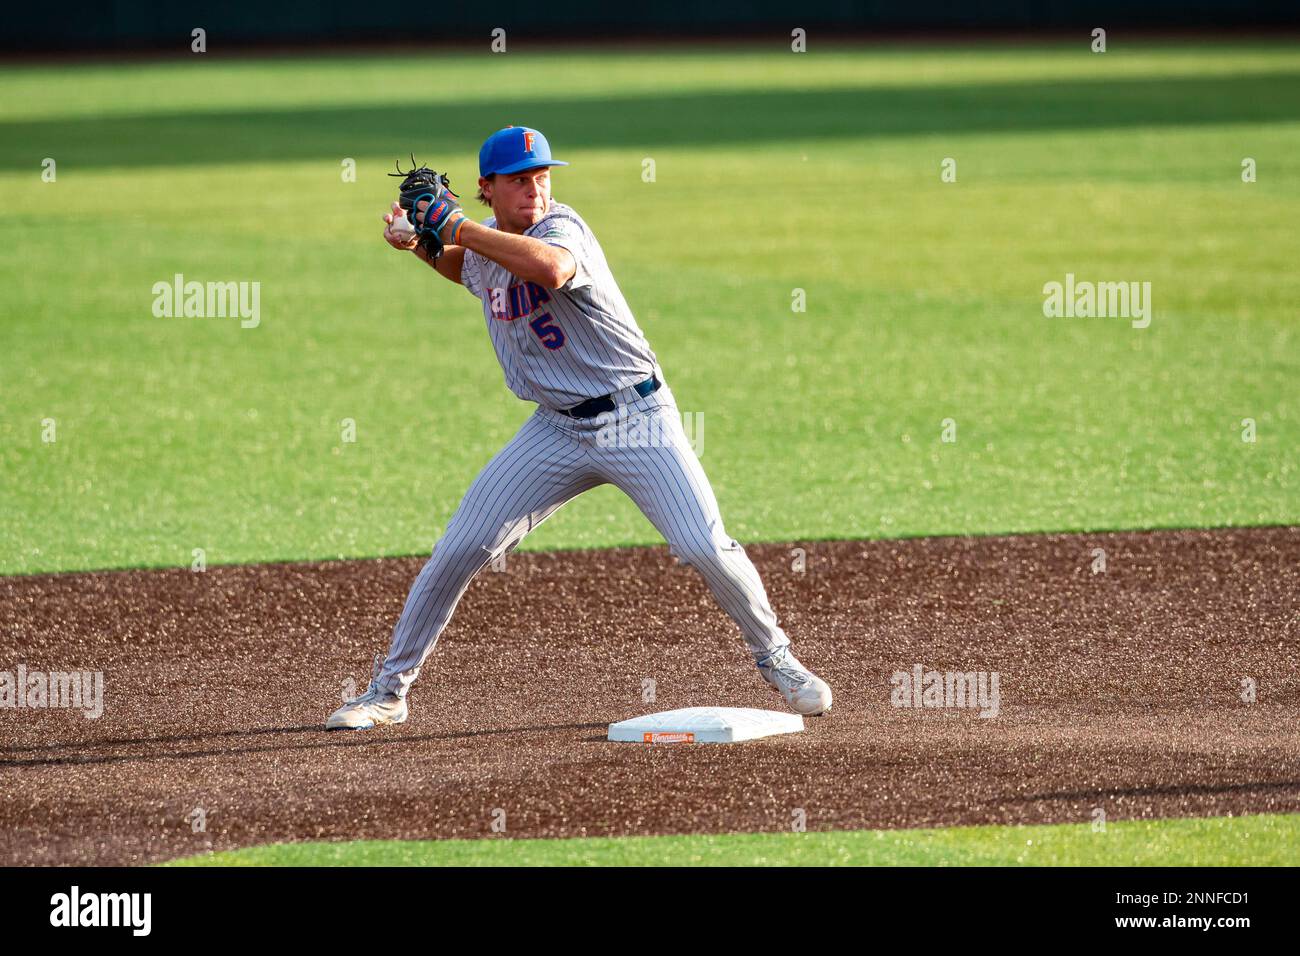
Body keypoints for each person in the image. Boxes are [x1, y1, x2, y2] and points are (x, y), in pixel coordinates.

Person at [327, 125, 832, 730]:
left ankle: (777, 659)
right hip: (555, 432)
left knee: (703, 545)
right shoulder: (488, 247)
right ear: (487, 188)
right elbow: (468, 268)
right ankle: (388, 690)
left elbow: (548, 269)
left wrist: (456, 226)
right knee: (459, 548)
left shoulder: (560, 229)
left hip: (635, 419)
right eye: (518, 180)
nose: (534, 188)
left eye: (542, 175)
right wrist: (419, 245)